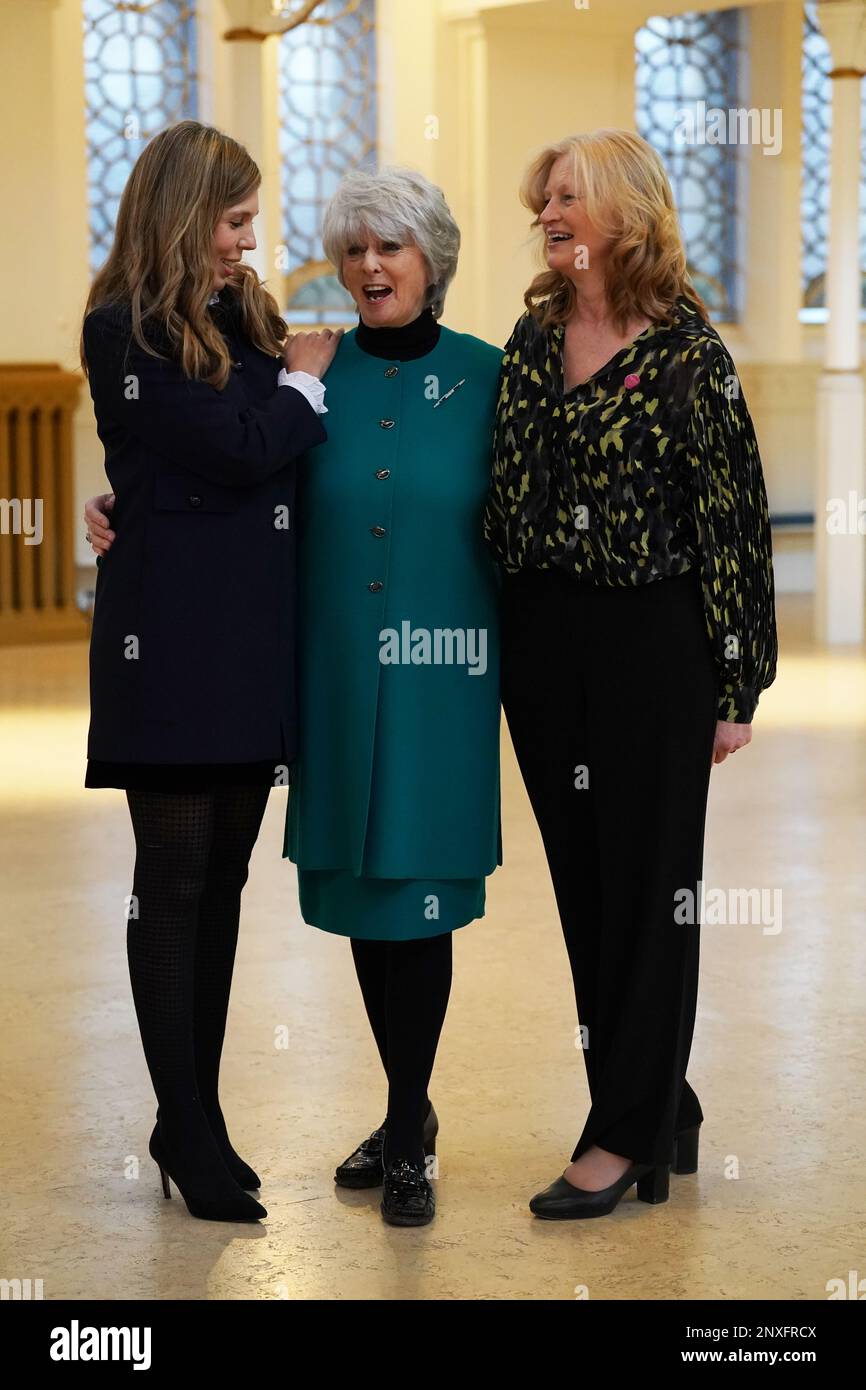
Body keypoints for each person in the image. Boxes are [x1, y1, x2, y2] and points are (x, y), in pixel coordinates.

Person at [483, 129, 778, 1219]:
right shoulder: (529, 336)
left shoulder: (688, 355)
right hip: (542, 644)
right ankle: (662, 1099)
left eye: (569, 196)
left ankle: (618, 1136)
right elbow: (494, 488)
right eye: (543, 197)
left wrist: (734, 682)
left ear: (624, 213)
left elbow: (733, 524)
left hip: (653, 644)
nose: (549, 212)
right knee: (586, 894)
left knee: (650, 891)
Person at [81, 119, 340, 1223]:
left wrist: (273, 404)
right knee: (173, 878)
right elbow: (239, 446)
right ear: (186, 216)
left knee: (224, 883)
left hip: (249, 639)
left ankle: (196, 1112)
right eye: (233, 221)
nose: (247, 241)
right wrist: (303, 392)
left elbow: (236, 448)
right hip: (170, 640)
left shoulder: (245, 314)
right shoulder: (120, 327)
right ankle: (182, 1121)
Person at [284, 167, 504, 1226]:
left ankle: (409, 1120)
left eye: (391, 248)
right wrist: (119, 507)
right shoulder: (309, 370)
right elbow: (240, 484)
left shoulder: (490, 378)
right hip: (335, 674)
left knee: (419, 900)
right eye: (355, 249)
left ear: (431, 262)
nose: (370, 266)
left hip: (443, 681)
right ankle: (404, 1111)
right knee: (371, 904)